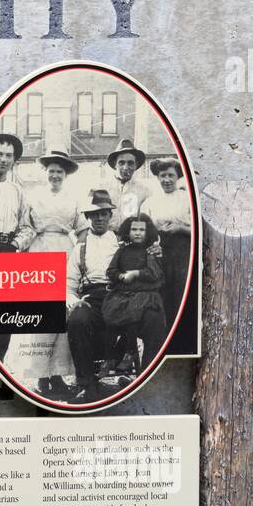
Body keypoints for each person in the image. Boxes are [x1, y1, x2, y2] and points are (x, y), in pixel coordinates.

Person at [4, 150, 79, 396]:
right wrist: (18, 250)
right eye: (51, 171)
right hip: (38, 251)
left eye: (60, 171)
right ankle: (40, 376)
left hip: (65, 252)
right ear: (45, 172)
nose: (55, 175)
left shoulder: (73, 198)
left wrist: (81, 256)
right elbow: (25, 227)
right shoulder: (33, 197)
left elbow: (82, 229)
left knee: (62, 316)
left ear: (66, 174)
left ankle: (57, 373)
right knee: (41, 315)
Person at [65, 190, 121, 402]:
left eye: (103, 214)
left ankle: (116, 368)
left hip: (118, 297)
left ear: (109, 216)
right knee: (77, 320)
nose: (99, 219)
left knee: (136, 318)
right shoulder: (79, 248)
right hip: (91, 298)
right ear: (87, 218)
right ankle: (87, 384)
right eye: (93, 215)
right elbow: (68, 284)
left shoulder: (121, 244)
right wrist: (73, 301)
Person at [102, 214, 166, 375]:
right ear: (127, 231)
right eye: (134, 229)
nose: (137, 233)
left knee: (136, 310)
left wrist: (136, 273)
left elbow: (154, 274)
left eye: (141, 230)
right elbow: (111, 271)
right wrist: (120, 276)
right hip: (124, 294)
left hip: (145, 294)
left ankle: (128, 354)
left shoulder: (150, 251)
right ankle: (118, 354)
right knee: (117, 312)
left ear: (148, 232)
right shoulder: (122, 251)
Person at [141, 158, 192, 331]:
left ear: (177, 177)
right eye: (163, 176)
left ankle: (182, 334)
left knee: (181, 292)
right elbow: (142, 229)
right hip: (159, 251)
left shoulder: (188, 199)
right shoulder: (150, 202)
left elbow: (199, 231)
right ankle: (163, 335)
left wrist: (179, 228)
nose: (167, 180)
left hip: (183, 252)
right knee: (162, 292)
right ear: (157, 177)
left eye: (171, 175)